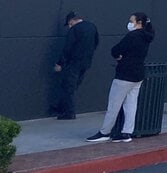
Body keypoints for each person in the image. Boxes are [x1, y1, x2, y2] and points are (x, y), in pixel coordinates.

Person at [86, 12, 155, 143]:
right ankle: (127, 132)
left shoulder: (132, 36)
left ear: (139, 22)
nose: (130, 23)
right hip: (138, 73)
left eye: (131, 20)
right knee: (131, 104)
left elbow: (116, 50)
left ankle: (105, 131)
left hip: (125, 73)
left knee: (114, 104)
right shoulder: (147, 37)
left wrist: (119, 57)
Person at [53, 11, 99, 120]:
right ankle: (63, 107)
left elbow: (67, 48)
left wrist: (60, 63)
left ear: (72, 21)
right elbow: (96, 42)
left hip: (73, 62)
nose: (69, 26)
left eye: (69, 24)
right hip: (86, 62)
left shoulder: (75, 29)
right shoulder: (92, 27)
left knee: (68, 87)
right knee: (74, 86)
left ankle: (68, 112)